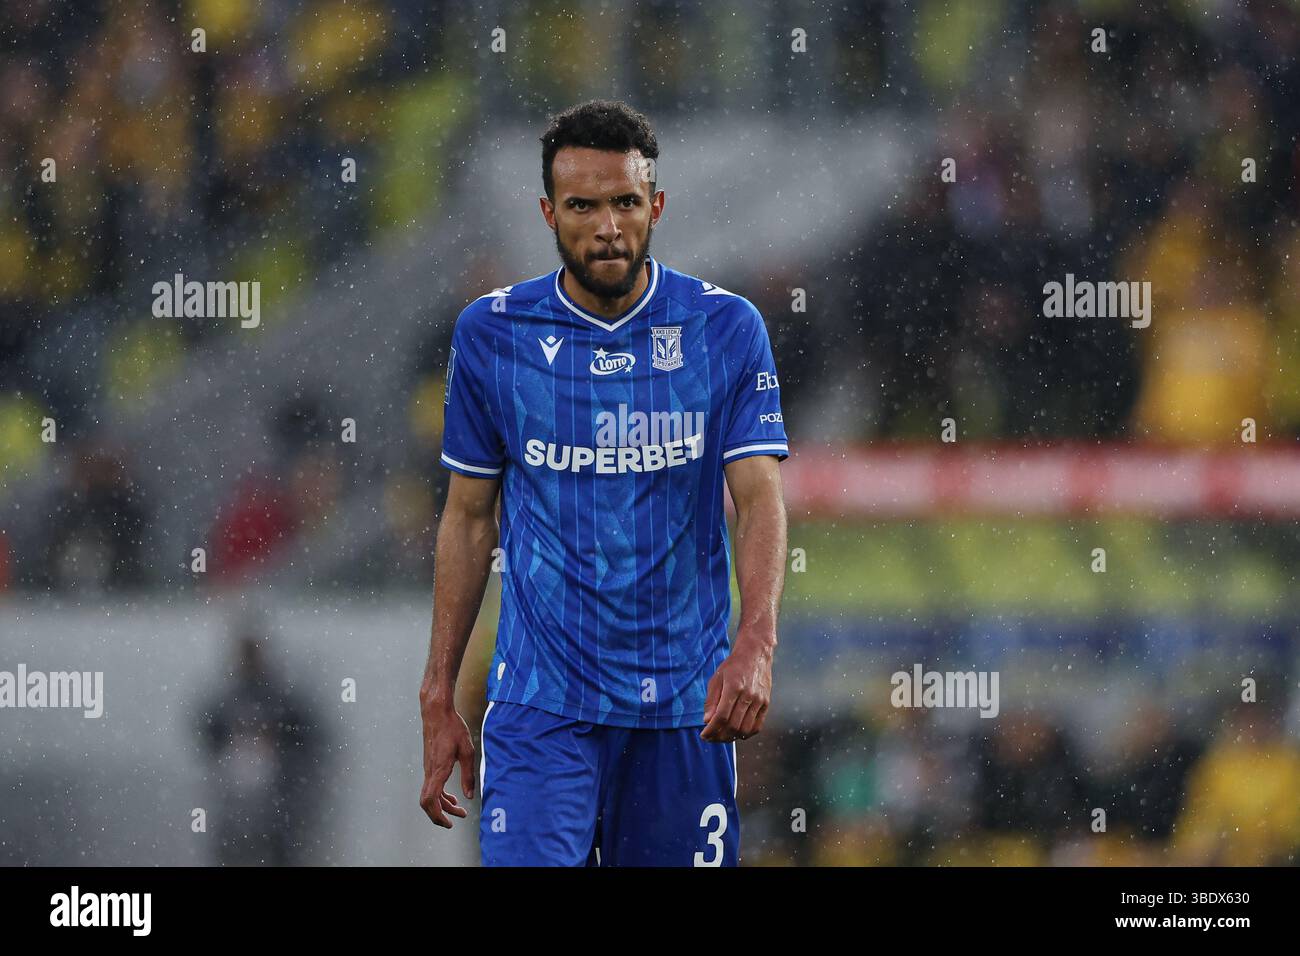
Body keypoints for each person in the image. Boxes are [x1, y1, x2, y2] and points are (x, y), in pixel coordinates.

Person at [418, 100, 789, 866]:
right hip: (540, 710)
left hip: (683, 708)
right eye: (583, 206)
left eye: (625, 202)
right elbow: (467, 521)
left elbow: (757, 499)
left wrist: (756, 638)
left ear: (655, 206)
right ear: (549, 213)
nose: (607, 226)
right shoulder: (490, 336)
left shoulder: (724, 329)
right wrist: (438, 689)